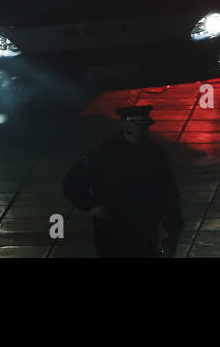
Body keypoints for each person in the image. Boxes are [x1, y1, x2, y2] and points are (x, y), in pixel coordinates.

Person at [62, 106, 184, 257]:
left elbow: (168, 191)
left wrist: (173, 228)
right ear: (128, 127)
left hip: (145, 227)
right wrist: (92, 205)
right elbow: (72, 183)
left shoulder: (154, 154)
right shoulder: (104, 154)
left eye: (146, 128)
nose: (146, 132)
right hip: (114, 227)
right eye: (141, 128)